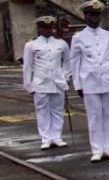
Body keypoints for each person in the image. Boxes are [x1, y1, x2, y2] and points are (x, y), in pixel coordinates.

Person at [70, 1, 109, 162]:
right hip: (89, 81)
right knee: (94, 117)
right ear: (85, 16)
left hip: (108, 80)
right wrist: (77, 84)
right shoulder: (78, 37)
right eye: (91, 15)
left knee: (108, 115)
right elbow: (75, 62)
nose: (94, 18)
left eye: (97, 14)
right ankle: (97, 149)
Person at [23, 16, 70, 150]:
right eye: (44, 28)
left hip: (57, 83)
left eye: (50, 28)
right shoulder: (31, 45)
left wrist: (66, 76)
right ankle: (46, 138)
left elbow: (67, 61)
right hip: (41, 83)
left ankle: (56, 136)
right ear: (39, 29)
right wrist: (28, 85)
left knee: (57, 111)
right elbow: (28, 67)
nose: (47, 30)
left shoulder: (61, 44)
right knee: (42, 111)